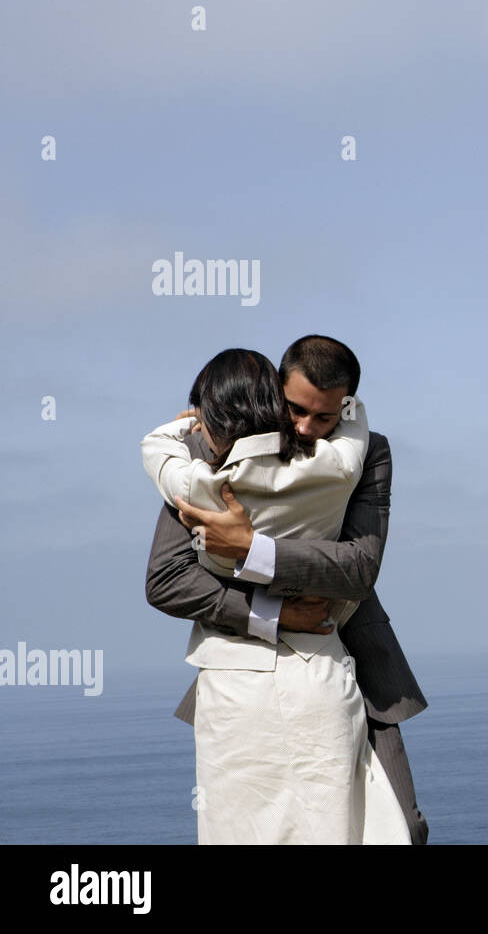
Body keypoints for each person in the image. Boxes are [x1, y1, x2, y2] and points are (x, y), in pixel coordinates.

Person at [145, 335, 429, 844]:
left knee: (403, 828)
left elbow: (361, 568)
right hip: (250, 666)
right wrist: (270, 616)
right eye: (295, 409)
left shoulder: (370, 454)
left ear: (347, 408)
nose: (304, 427)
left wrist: (252, 547)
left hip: (348, 654)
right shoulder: (214, 448)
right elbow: (168, 576)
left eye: (323, 418)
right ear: (276, 391)